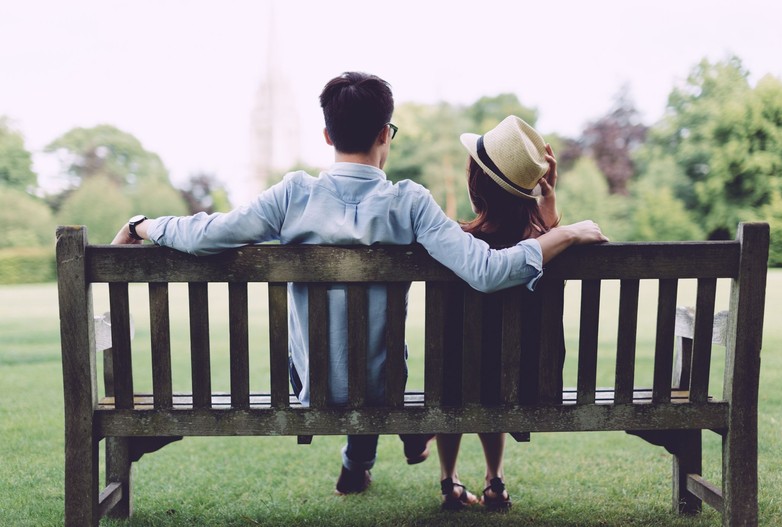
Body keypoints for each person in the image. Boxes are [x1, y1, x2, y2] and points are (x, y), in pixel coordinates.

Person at [111, 73, 608, 496]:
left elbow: (206, 235)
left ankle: (356, 462)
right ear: (384, 135)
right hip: (384, 389)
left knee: (332, 356)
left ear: (327, 136)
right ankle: (362, 457)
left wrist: (141, 225)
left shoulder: (292, 196)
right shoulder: (410, 203)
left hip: (313, 390)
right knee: (373, 362)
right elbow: (487, 270)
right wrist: (561, 230)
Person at [436, 115, 591, 510]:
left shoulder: (461, 247)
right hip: (529, 385)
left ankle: (449, 480)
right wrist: (548, 204)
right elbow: (542, 235)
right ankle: (495, 480)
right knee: (495, 372)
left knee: (459, 370)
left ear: (475, 187)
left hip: (457, 385)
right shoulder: (548, 246)